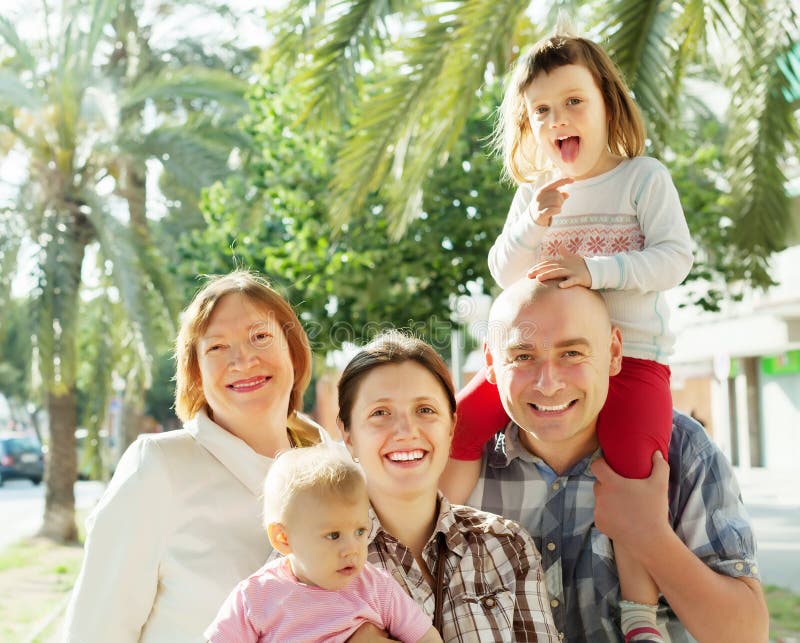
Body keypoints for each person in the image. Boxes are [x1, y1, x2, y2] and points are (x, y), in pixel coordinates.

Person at [443, 33, 694, 637]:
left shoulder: (642, 179)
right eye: (542, 111)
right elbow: (504, 273)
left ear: (607, 101)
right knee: (462, 423)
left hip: (630, 359)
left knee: (634, 465)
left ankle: (638, 612)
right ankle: (442, 552)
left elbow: (675, 258)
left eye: (574, 102)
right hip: (540, 357)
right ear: (529, 125)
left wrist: (595, 271)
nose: (559, 120)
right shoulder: (535, 195)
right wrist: (535, 221)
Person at [463, 279, 768, 642]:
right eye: (522, 357)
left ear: (614, 352)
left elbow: (746, 635)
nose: (548, 383)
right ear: (491, 364)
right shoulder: (454, 465)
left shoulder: (680, 449)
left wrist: (650, 536)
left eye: (572, 353)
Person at [64, 271, 331, 642]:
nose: (243, 359)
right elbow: (93, 633)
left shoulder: (335, 464)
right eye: (217, 347)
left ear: (295, 352)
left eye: (261, 336)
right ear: (196, 373)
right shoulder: (158, 467)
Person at [337, 332, 560, 642]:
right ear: (347, 436)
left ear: (451, 425)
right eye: (380, 413)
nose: (405, 431)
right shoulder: (309, 557)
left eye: (425, 410)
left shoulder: (507, 546)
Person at [206, 444, 441, 642]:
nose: (352, 549)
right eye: (333, 535)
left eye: (360, 531)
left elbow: (427, 638)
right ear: (283, 538)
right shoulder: (255, 597)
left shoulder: (377, 588)